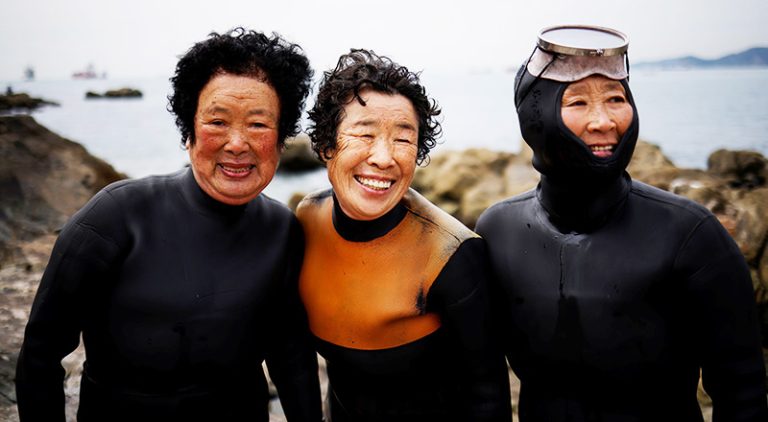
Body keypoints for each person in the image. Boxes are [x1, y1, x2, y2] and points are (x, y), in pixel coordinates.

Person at [15, 28, 322, 421]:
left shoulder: (283, 231)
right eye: (217, 121)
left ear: (281, 139)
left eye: (258, 125)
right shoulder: (113, 218)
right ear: (188, 131)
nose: (237, 143)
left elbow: (291, 357)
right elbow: (40, 354)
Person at [476, 25, 768, 421]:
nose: (604, 121)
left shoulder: (690, 234)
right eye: (578, 102)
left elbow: (743, 392)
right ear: (535, 114)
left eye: (616, 98)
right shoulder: (498, 231)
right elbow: (482, 382)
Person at [295, 49, 511, 422]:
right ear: (327, 145)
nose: (384, 157)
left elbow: (488, 394)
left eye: (403, 140)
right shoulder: (307, 220)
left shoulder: (451, 253)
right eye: (364, 134)